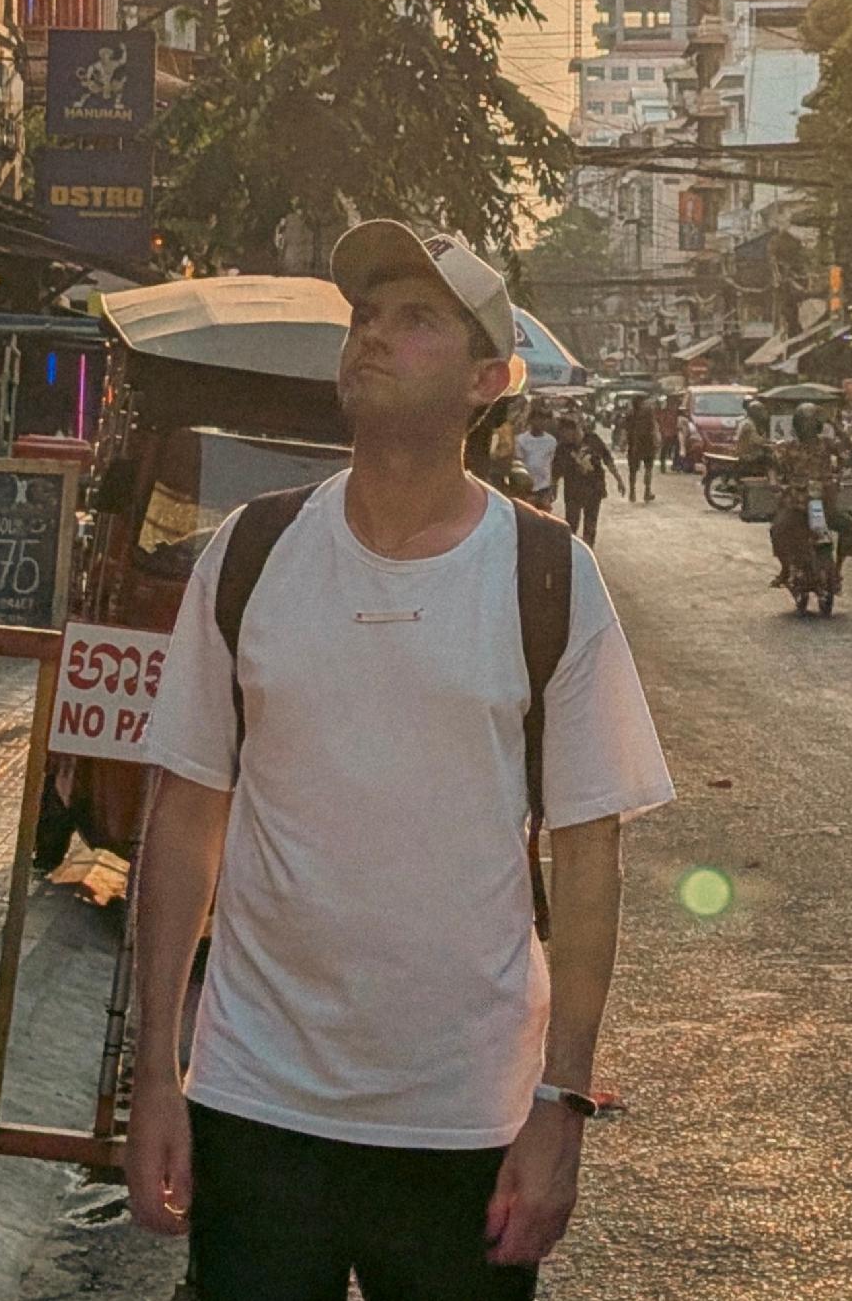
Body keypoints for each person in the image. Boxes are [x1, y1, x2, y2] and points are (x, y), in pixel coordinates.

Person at [126, 221, 673, 1298]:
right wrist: (155, 1073)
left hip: (464, 1117)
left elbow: (589, 853)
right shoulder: (251, 552)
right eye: (366, 316)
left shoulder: (544, 576)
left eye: (415, 319)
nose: (373, 336)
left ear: (486, 379)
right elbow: (183, 817)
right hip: (257, 1099)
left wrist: (561, 1105)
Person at [765, 404, 852, 586]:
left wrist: (836, 425)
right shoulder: (787, 447)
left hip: (822, 504)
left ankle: (838, 569)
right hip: (796, 503)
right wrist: (773, 481)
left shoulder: (826, 444)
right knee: (778, 530)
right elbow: (772, 465)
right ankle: (785, 569)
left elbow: (849, 449)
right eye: (805, 425)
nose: (808, 429)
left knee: (848, 526)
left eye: (812, 425)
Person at [556, 410, 621, 547]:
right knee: (571, 525)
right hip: (573, 491)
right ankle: (573, 554)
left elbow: (607, 460)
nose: (563, 436)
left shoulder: (593, 440)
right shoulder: (562, 447)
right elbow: (556, 471)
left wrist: (618, 479)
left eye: (565, 432)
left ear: (573, 430)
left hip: (594, 489)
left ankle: (588, 552)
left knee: (590, 525)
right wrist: (552, 488)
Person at [511, 401, 559, 507]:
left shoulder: (551, 441)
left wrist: (554, 486)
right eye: (538, 418)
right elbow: (518, 462)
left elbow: (552, 464)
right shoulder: (521, 440)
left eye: (544, 419)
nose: (541, 422)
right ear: (531, 420)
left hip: (544, 489)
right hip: (527, 488)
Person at [623, 396, 657, 503]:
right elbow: (653, 428)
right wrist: (656, 441)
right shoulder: (648, 413)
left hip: (634, 445)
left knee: (632, 471)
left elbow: (625, 429)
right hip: (648, 444)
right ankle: (647, 492)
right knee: (648, 468)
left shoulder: (630, 413)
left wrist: (624, 443)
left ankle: (632, 493)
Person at [657, 392, 683, 475]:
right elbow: (659, 421)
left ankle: (676, 465)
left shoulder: (676, 410)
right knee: (664, 449)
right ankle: (663, 465)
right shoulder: (662, 411)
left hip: (674, 431)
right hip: (666, 432)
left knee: (676, 448)